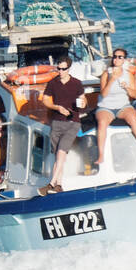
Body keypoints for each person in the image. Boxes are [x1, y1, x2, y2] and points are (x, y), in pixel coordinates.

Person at [39, 57, 88, 194]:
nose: (60, 71)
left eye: (63, 69)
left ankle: (51, 183)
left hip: (73, 122)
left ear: (69, 69)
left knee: (61, 152)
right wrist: (57, 107)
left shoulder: (77, 83)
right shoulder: (52, 83)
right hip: (57, 122)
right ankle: (59, 185)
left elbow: (83, 100)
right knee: (58, 157)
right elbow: (46, 100)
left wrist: (82, 103)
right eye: (58, 69)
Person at [96, 49, 136, 161]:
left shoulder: (128, 75)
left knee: (133, 119)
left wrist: (126, 87)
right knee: (102, 123)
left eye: (120, 57)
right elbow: (103, 94)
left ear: (124, 60)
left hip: (123, 106)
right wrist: (112, 79)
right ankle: (101, 154)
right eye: (115, 56)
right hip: (105, 107)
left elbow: (135, 95)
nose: (116, 59)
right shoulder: (106, 74)